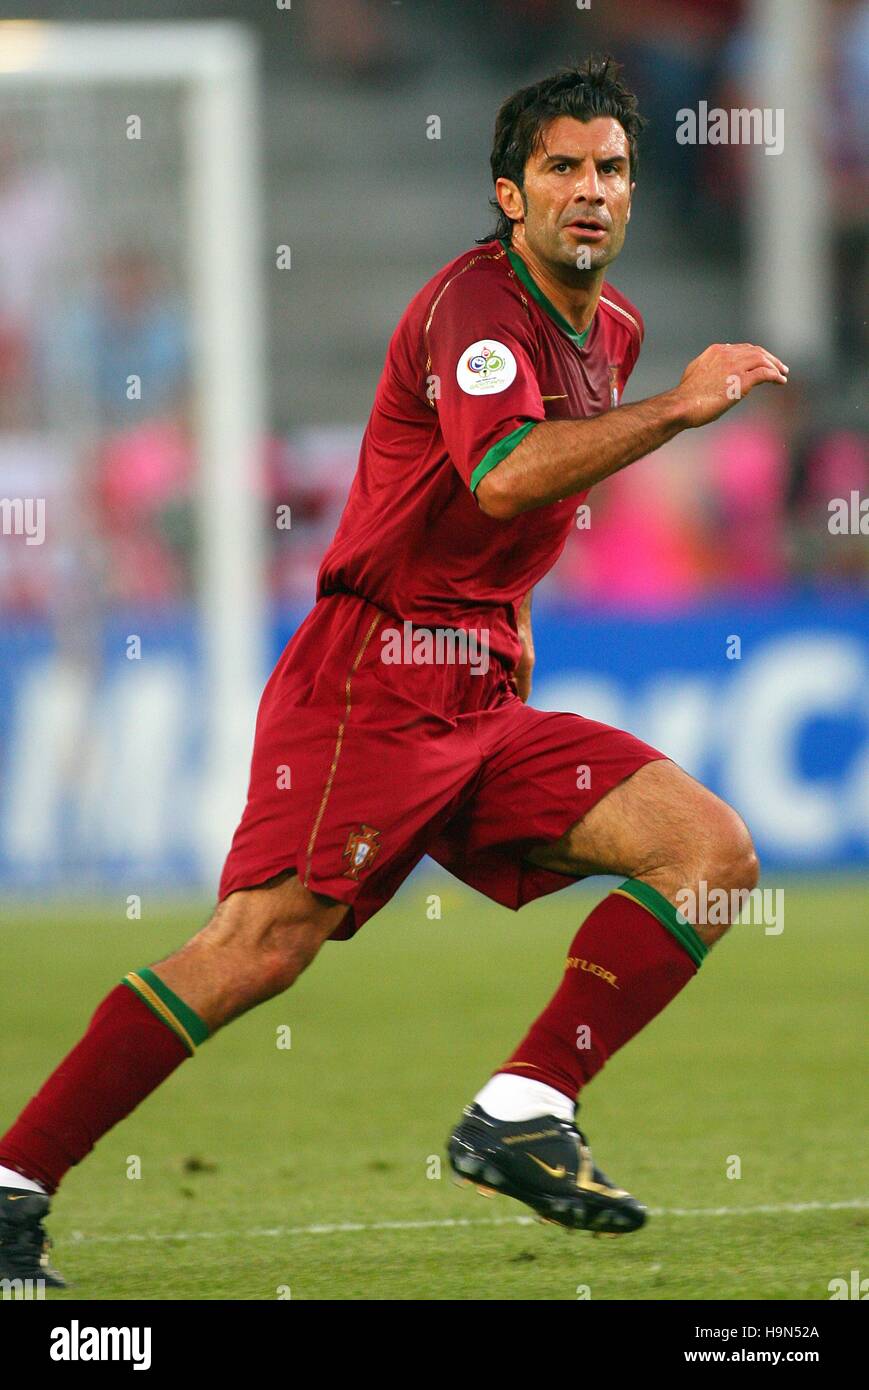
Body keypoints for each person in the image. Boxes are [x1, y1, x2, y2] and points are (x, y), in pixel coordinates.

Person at [0, 57, 788, 1286]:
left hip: (482, 691)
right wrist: (681, 414)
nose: (590, 190)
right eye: (561, 168)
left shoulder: (616, 327)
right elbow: (504, 474)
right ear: (506, 194)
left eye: (612, 169)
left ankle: (523, 1106)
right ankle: (13, 1182)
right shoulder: (475, 307)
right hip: (373, 676)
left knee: (710, 854)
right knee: (259, 943)